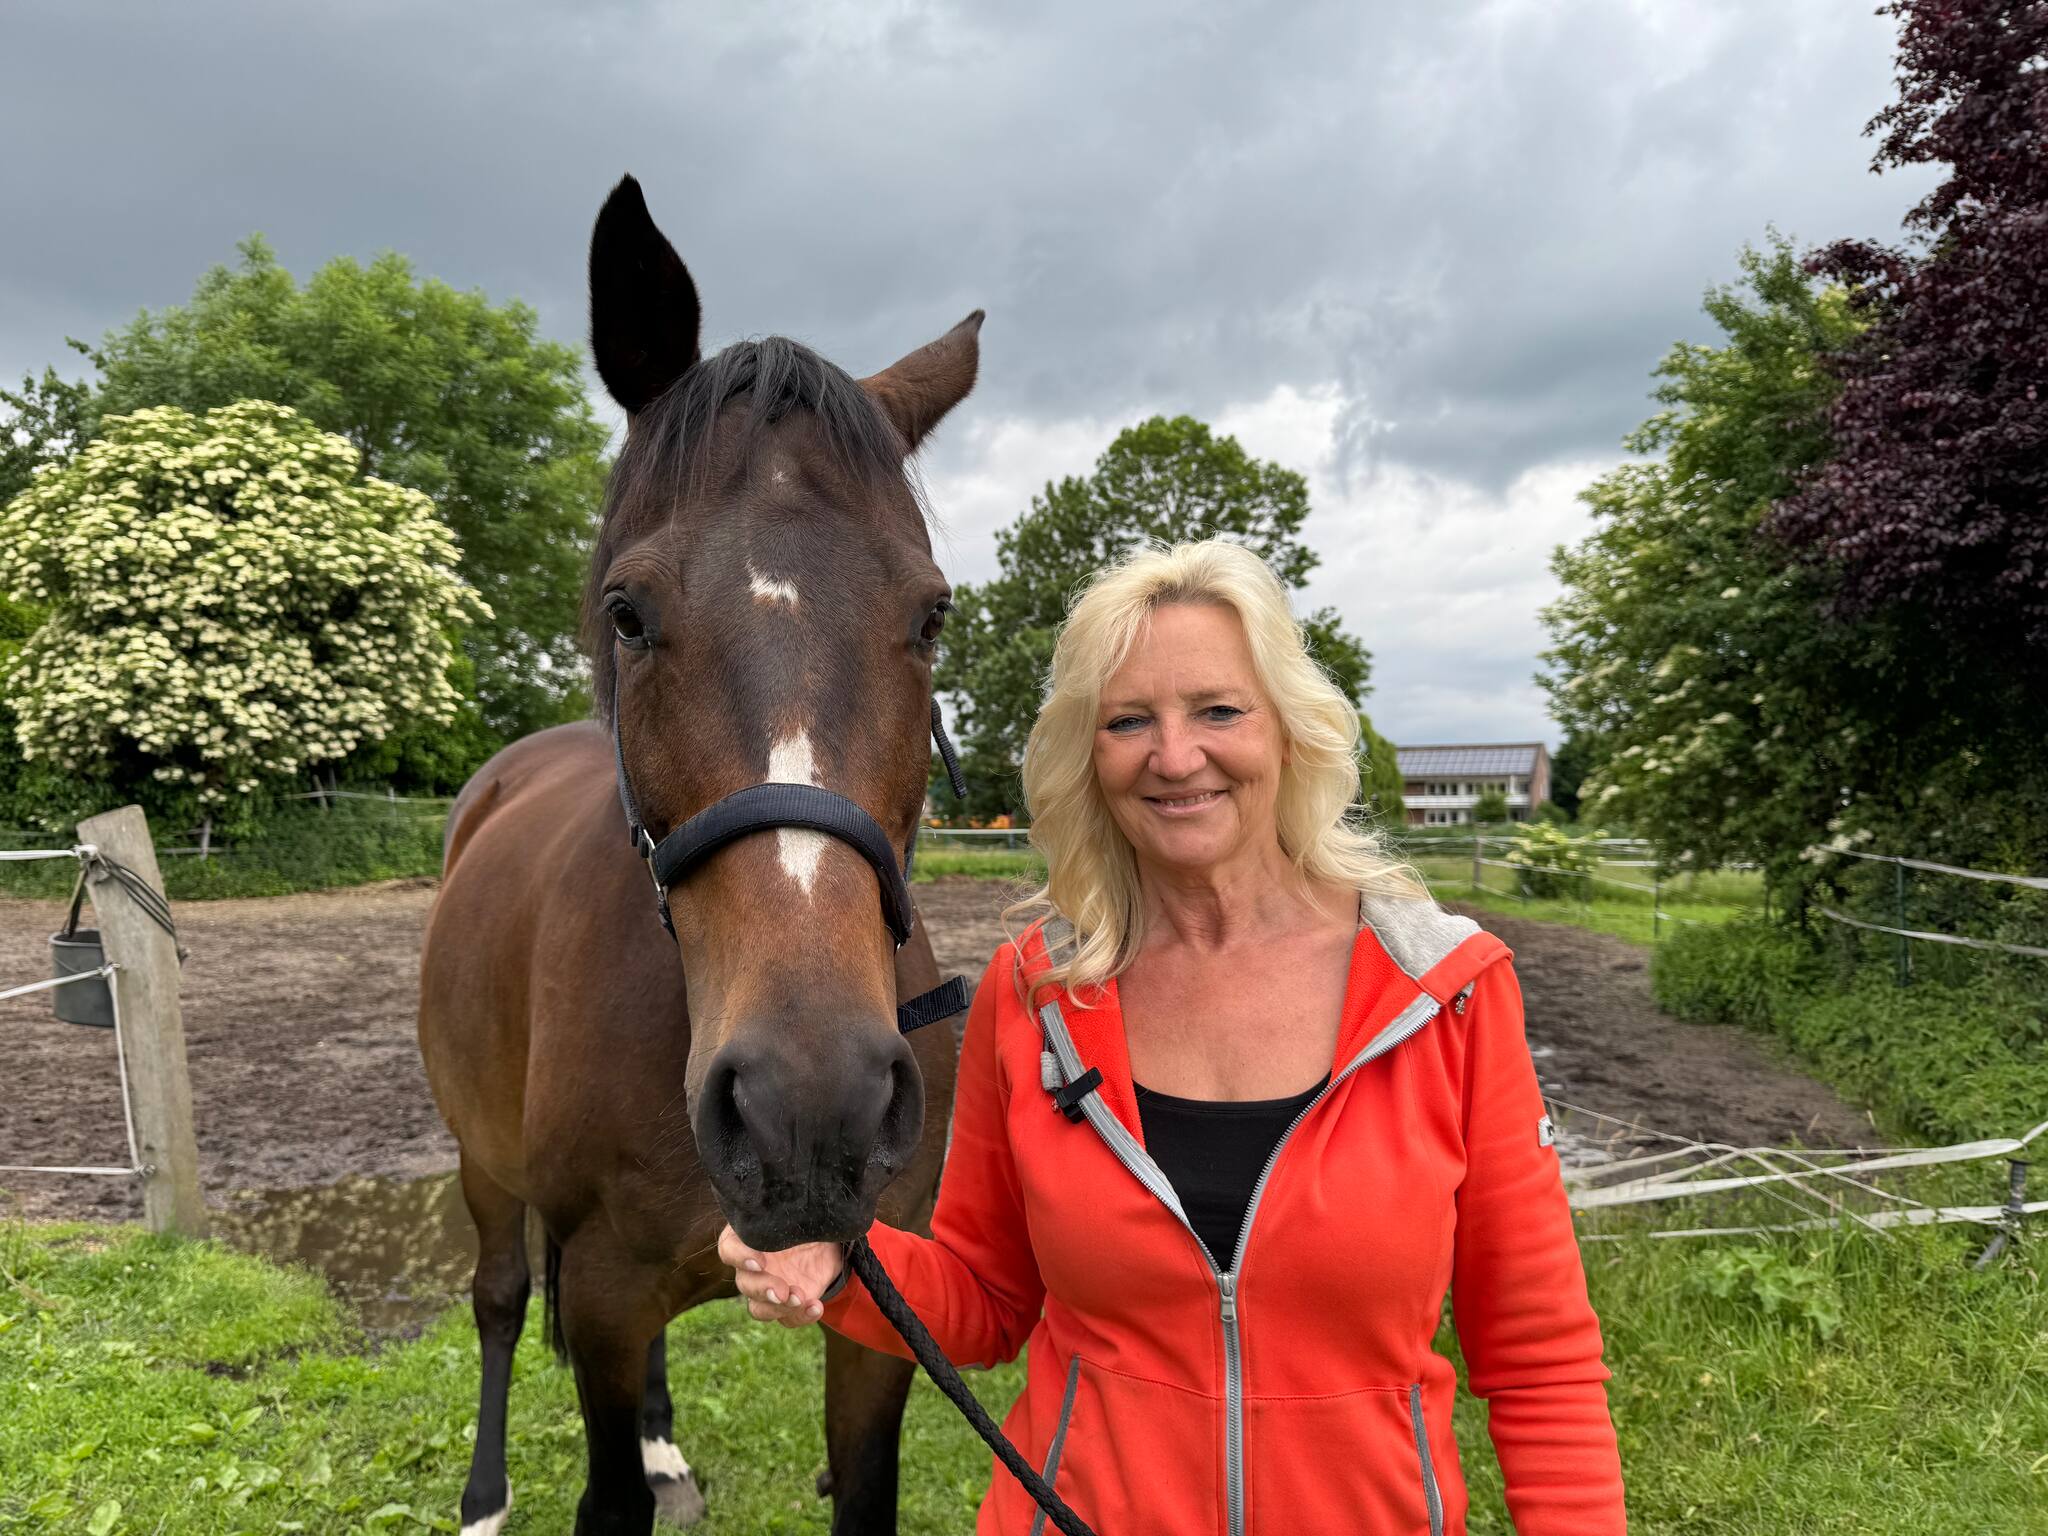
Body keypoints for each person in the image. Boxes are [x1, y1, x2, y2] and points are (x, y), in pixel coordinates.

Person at [719, 539, 1628, 1534]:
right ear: (1088, 755)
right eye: (1127, 721)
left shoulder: (1444, 992)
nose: (1175, 756)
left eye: (1218, 710)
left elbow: (1540, 1361)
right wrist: (844, 1264)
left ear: (1288, 728)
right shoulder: (1038, 994)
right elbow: (987, 1298)